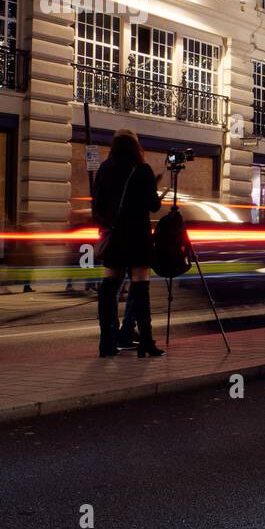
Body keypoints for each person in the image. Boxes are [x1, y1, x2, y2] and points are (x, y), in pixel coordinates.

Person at [91, 129, 163, 358]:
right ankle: (146, 342)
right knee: (140, 287)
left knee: (109, 288)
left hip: (114, 236)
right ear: (135, 147)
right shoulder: (142, 170)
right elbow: (153, 206)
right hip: (138, 236)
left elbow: (98, 206)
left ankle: (107, 343)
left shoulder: (104, 168)